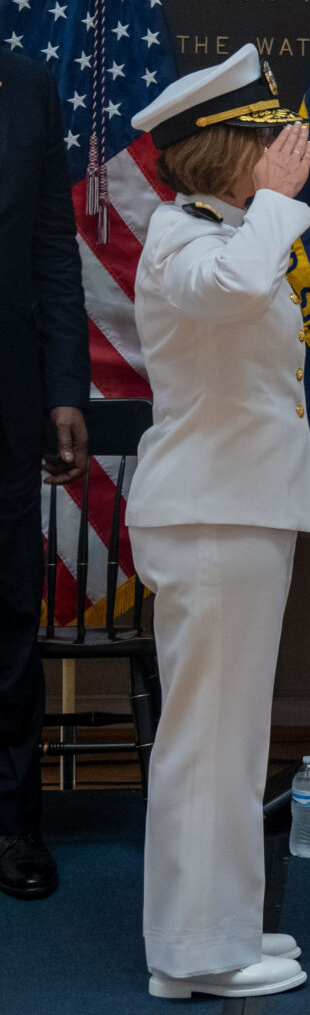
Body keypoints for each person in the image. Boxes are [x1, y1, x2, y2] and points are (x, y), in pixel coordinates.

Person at [127, 44, 310, 1001]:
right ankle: (196, 954)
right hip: (211, 515)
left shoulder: (216, 231)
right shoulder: (182, 240)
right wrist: (283, 203)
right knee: (209, 738)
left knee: (230, 736)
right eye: (268, 138)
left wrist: (270, 210)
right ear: (225, 151)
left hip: (234, 508)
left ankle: (218, 931)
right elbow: (234, 291)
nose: (288, 149)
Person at [0, 49, 89, 901]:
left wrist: (67, 388)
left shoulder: (25, 85)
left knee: (6, 626)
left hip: (7, 401)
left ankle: (12, 825)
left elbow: (52, 254)